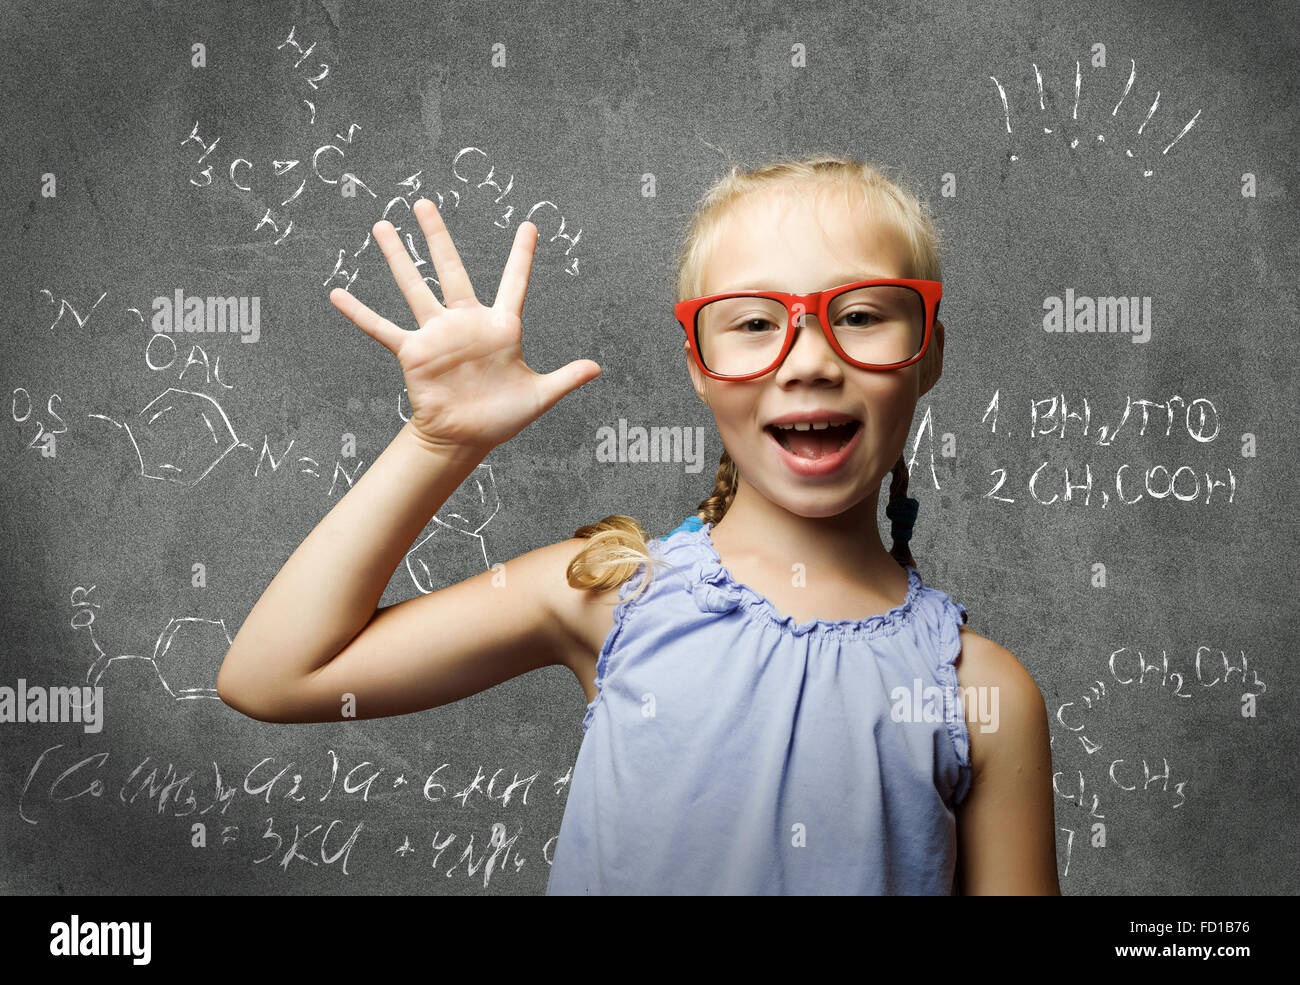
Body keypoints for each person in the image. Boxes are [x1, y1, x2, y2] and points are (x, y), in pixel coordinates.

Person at [217, 153, 1059, 895]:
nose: (810, 361)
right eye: (755, 322)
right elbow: (273, 675)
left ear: (931, 353)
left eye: (864, 314)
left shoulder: (983, 696)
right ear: (698, 363)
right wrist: (440, 440)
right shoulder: (612, 590)